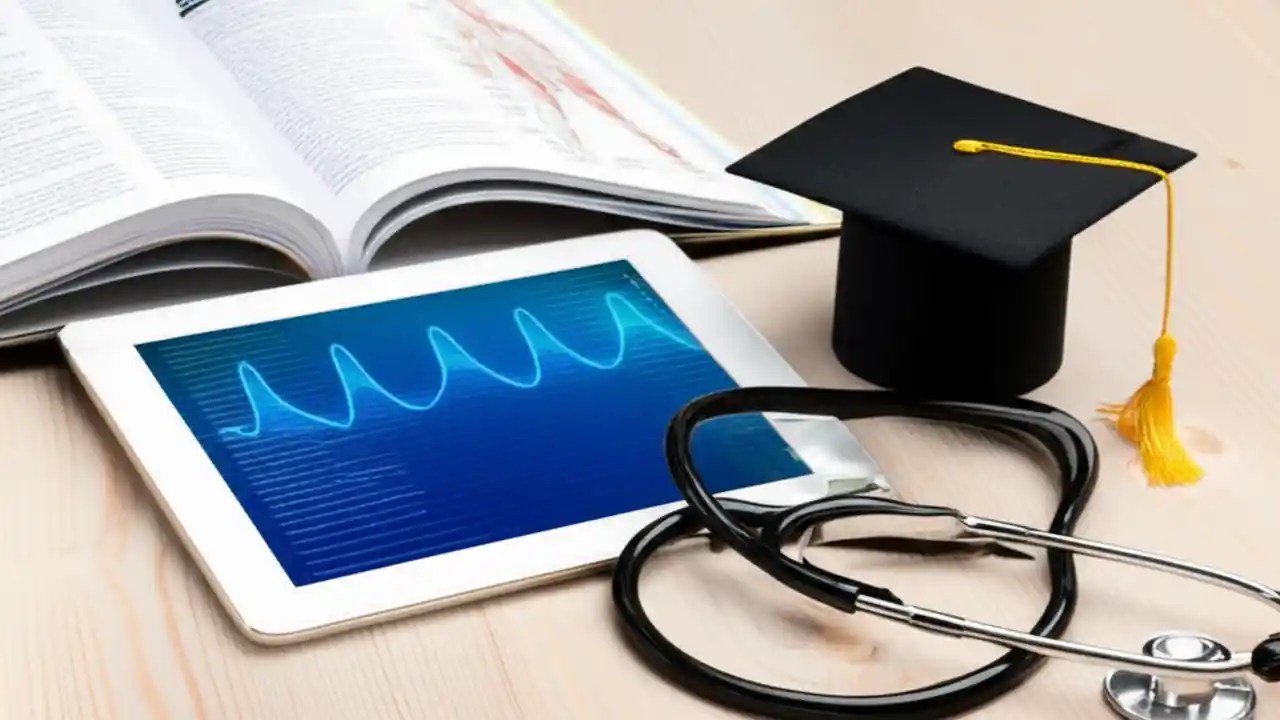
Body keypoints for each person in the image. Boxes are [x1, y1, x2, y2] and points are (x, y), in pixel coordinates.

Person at [437, 0, 689, 163]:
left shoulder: (496, 24)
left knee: (590, 101)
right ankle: (581, 155)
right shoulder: (470, 28)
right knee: (555, 104)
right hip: (519, 61)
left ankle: (646, 143)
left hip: (529, 54)